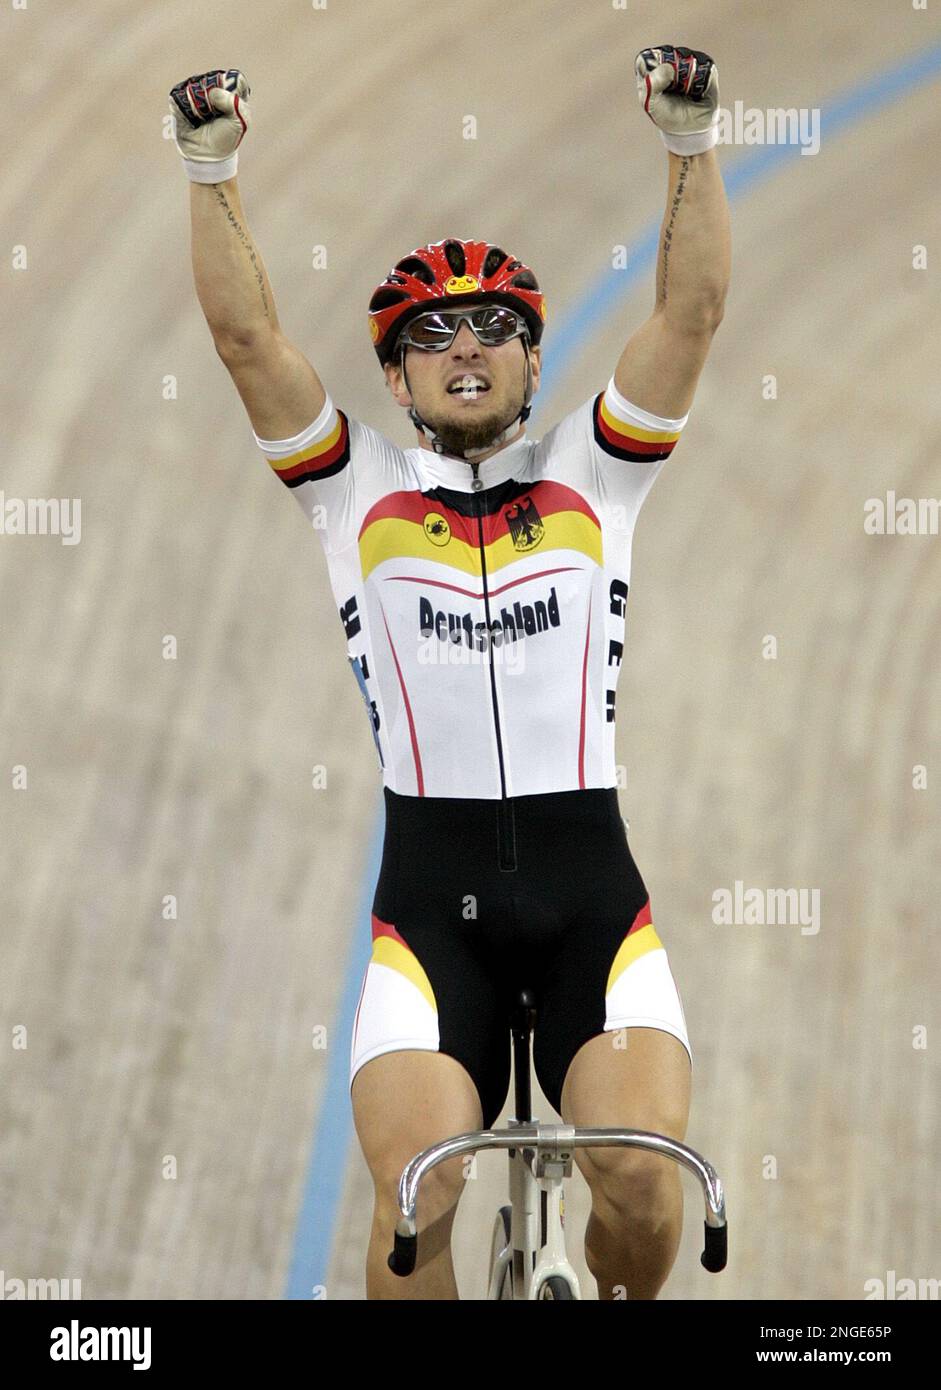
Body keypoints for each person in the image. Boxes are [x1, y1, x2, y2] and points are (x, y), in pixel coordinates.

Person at [169, 44, 731, 1300]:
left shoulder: (598, 473)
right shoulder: (351, 492)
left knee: (643, 1178)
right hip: (434, 914)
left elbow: (687, 315)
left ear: (534, 363)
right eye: (430, 333)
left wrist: (687, 146)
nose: (463, 346)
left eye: (493, 327)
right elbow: (243, 333)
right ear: (393, 376)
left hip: (592, 897)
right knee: (415, 1193)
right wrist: (211, 167)